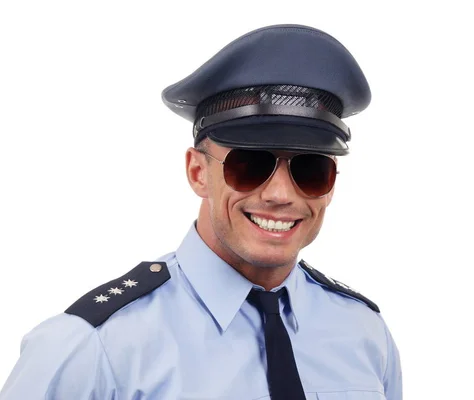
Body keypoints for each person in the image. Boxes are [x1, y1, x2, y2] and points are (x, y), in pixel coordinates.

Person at [0, 24, 402, 399]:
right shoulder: (93, 349)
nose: (281, 193)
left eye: (310, 170)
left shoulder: (365, 335)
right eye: (249, 165)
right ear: (198, 172)